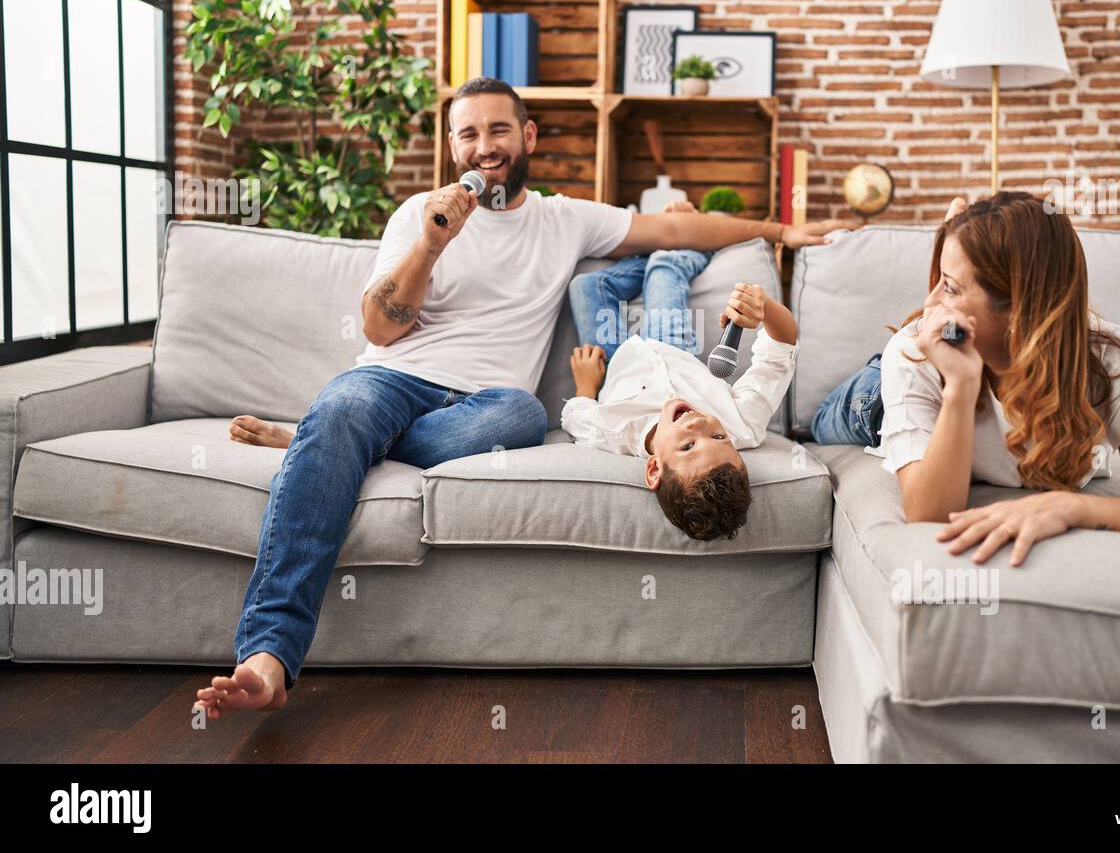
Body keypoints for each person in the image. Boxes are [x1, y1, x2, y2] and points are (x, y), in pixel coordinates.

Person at [195, 76, 864, 720]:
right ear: (452, 147)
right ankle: (269, 656)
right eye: (468, 135)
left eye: (498, 130)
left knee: (524, 414)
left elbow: (675, 233)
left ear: (528, 137)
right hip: (393, 380)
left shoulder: (563, 219)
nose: (484, 146)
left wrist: (777, 234)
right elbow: (378, 327)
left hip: (489, 402)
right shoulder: (418, 215)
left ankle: (327, 444)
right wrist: (433, 243)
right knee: (344, 408)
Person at [810, 191, 1120, 567]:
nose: (929, 303)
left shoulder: (1112, 360)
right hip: (877, 400)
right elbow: (928, 514)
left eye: (948, 287)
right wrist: (962, 387)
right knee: (821, 420)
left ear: (1020, 309)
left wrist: (1069, 508)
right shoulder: (912, 353)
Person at [563, 281, 798, 541]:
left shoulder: (609, 432)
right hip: (673, 346)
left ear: (654, 469)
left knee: (586, 287)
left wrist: (586, 385)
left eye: (687, 447)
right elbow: (779, 353)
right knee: (665, 266)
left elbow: (576, 416)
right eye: (719, 437)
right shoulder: (743, 426)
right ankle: (689, 245)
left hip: (613, 360)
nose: (699, 426)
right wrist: (764, 306)